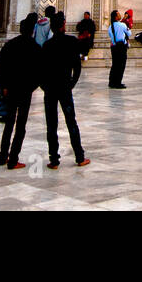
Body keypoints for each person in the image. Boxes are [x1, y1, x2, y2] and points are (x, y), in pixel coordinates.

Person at [40, 13, 90, 169]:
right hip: (64, 88)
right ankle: (80, 157)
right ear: (63, 25)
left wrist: (44, 86)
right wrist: (72, 83)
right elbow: (77, 66)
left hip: (50, 89)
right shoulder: (71, 42)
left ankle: (54, 160)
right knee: (71, 122)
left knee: (51, 124)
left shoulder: (47, 45)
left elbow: (41, 70)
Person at [0, 17, 42, 168]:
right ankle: (13, 159)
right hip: (24, 91)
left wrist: (3, 86)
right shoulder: (34, 47)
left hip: (11, 90)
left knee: (9, 124)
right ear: (32, 30)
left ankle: (2, 157)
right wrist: (31, 87)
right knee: (20, 125)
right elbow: (38, 72)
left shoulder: (11, 44)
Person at [107, 11, 130, 89]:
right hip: (121, 47)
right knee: (121, 65)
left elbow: (110, 35)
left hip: (114, 47)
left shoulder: (110, 27)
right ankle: (117, 82)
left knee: (115, 65)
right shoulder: (122, 25)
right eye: (118, 14)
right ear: (116, 17)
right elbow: (129, 33)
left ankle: (111, 82)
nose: (120, 15)